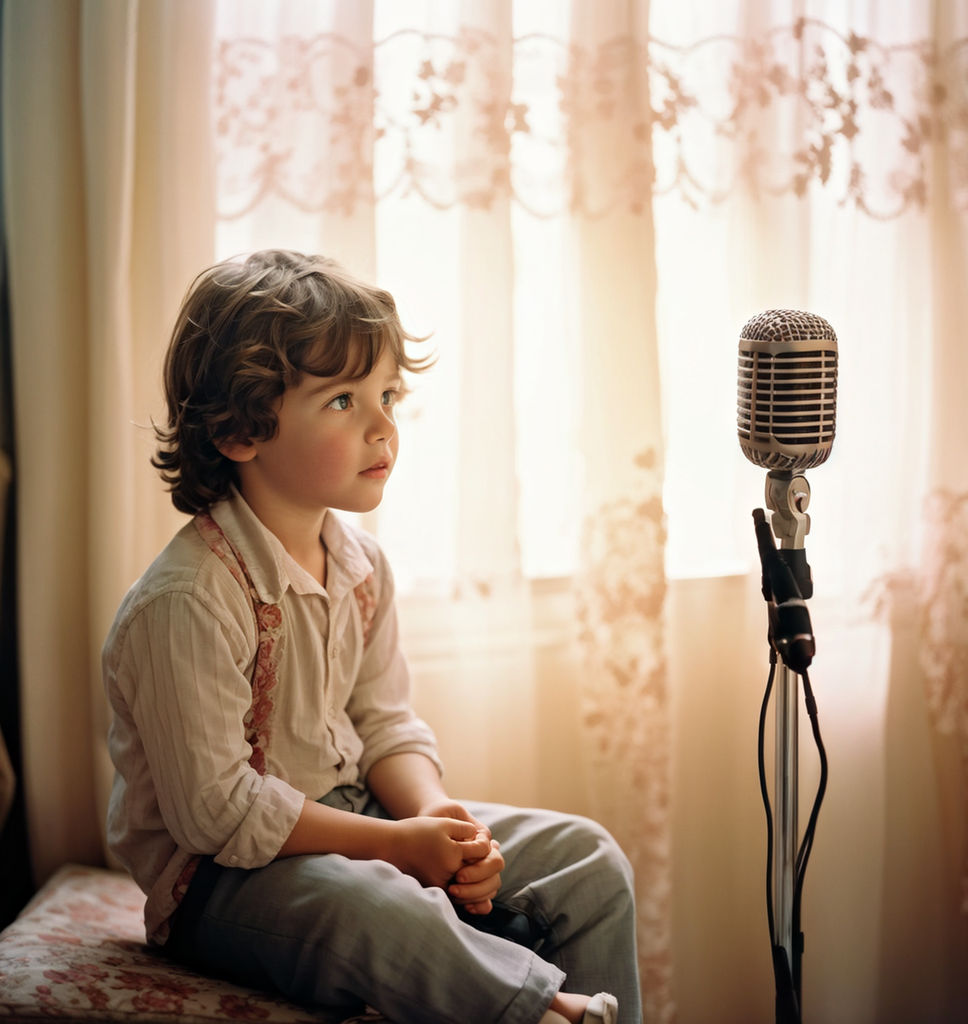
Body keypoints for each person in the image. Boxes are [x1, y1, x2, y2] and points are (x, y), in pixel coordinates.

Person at [103, 249, 641, 1024]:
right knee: (385, 904)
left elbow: (385, 724)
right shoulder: (188, 599)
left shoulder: (362, 568)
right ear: (240, 430)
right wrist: (395, 847)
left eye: (387, 394)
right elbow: (216, 814)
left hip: (354, 814)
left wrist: (438, 820)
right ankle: (548, 1011)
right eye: (342, 401)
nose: (384, 425)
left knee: (588, 859)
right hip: (220, 881)